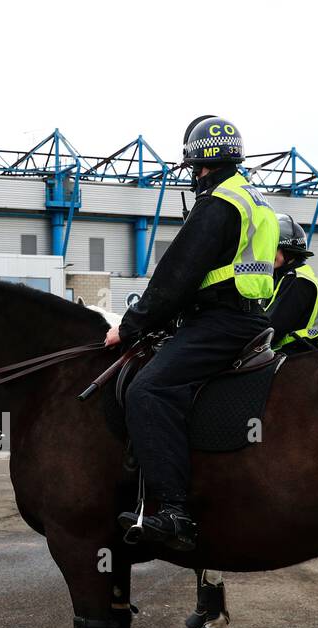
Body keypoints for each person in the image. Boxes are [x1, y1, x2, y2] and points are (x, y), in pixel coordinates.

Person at [110, 115, 279, 549]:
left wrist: (129, 328)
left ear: (198, 165)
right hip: (249, 315)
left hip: (219, 320)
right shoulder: (254, 199)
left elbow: (176, 277)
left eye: (192, 171)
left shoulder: (218, 203)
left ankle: (173, 513)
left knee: (148, 390)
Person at [265, 213, 318, 354]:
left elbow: (273, 327)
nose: (267, 255)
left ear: (289, 251)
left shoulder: (298, 281)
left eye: (272, 249)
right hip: (297, 352)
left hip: (300, 353)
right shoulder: (286, 277)